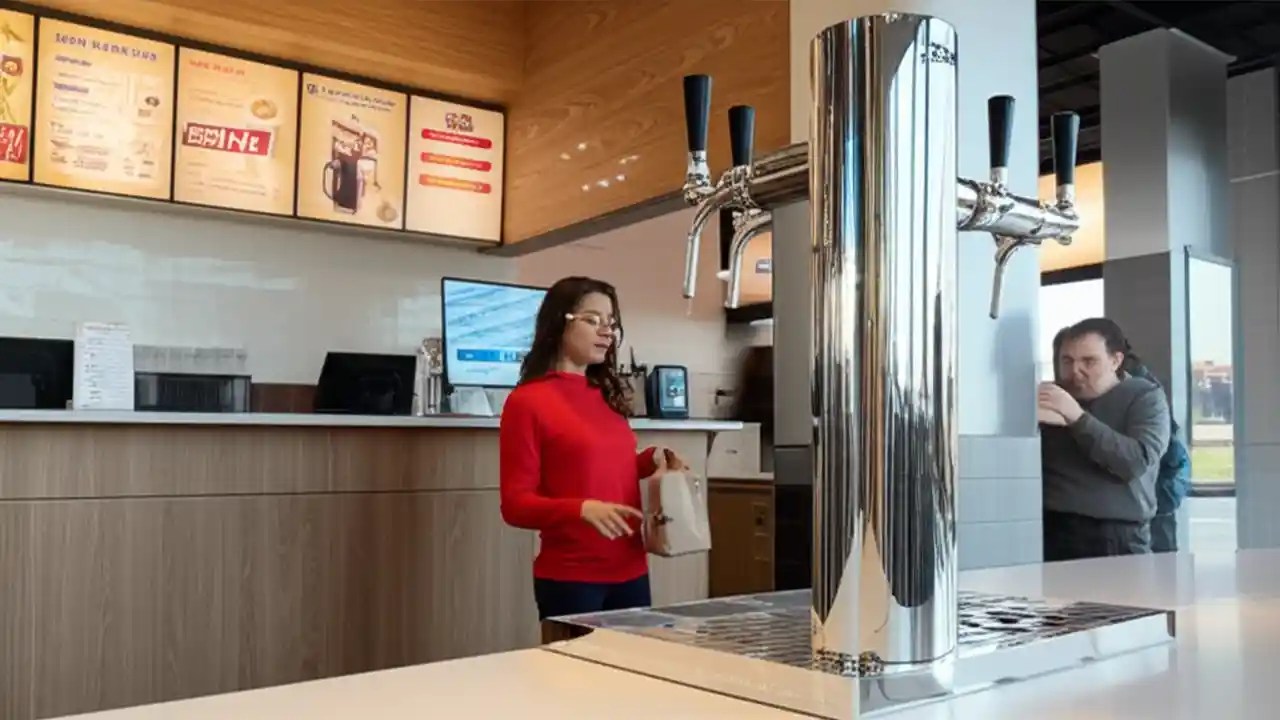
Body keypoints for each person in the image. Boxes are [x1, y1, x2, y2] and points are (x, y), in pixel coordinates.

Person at [499, 276, 683, 622]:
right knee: (572, 679)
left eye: (611, 323)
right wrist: (581, 509)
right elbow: (515, 505)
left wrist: (651, 459)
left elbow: (608, 468)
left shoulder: (604, 396)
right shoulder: (526, 402)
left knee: (631, 675)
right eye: (593, 320)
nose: (607, 332)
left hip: (632, 571)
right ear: (558, 323)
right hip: (571, 580)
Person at [1039, 318, 1171, 560]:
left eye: (1089, 361)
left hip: (1117, 535)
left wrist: (1077, 418)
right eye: (1067, 361)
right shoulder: (1052, 398)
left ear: (1115, 360)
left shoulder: (1145, 397)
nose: (1075, 371)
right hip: (1054, 531)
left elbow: (1134, 462)